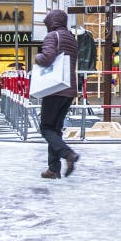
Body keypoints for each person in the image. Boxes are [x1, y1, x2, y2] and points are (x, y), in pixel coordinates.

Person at [36, 9, 80, 179]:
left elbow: (47, 58)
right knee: (55, 129)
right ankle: (53, 169)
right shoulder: (71, 38)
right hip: (69, 89)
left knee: (46, 128)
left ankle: (68, 154)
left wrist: (37, 58)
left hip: (54, 88)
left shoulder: (52, 36)